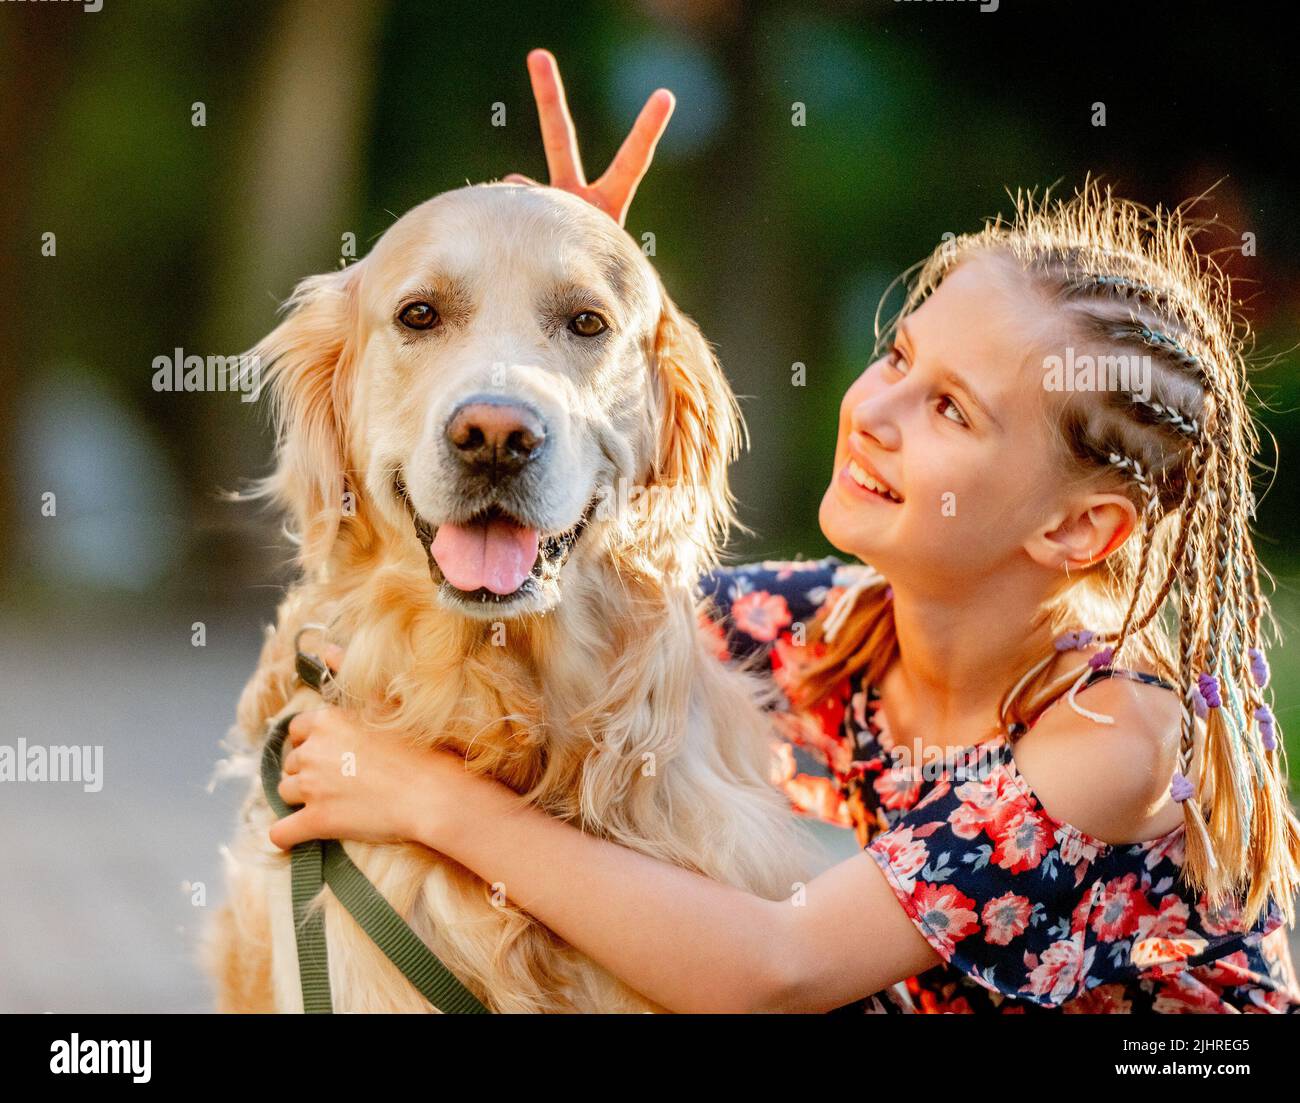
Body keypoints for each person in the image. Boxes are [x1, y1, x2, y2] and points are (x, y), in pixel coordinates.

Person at [269, 49, 1300, 1014]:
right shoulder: (819, 625)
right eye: (897, 358)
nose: (876, 412)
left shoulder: (1119, 738)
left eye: (952, 410)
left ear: (1079, 526)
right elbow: (593, 603)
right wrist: (568, 297)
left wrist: (426, 800)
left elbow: (777, 967)